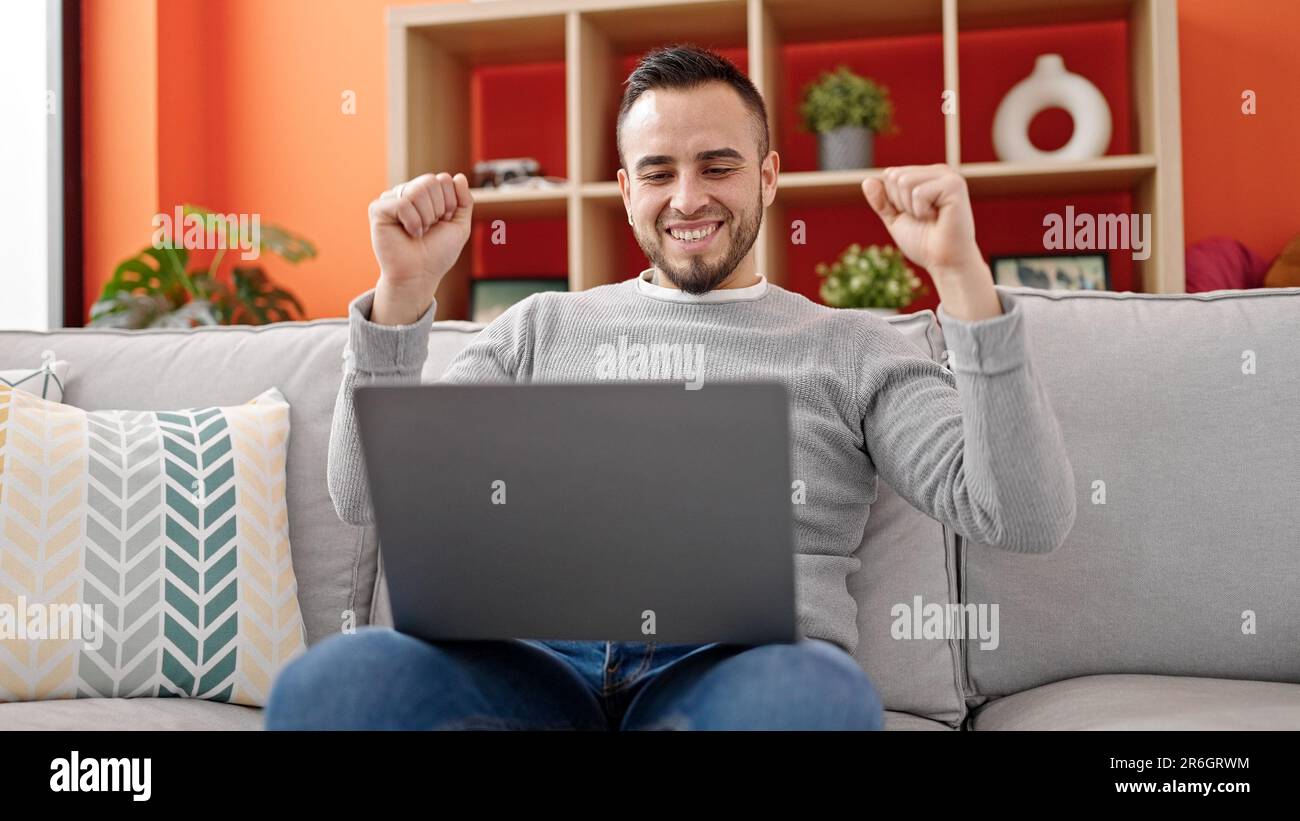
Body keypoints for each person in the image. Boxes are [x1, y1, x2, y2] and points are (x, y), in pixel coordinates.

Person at [265, 44, 1076, 731]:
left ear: (768, 178)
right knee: (334, 686)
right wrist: (401, 296)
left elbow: (1025, 514)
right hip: (530, 663)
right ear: (626, 192)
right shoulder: (537, 328)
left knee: (813, 705)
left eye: (717, 166)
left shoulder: (853, 345)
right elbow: (362, 497)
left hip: (736, 671)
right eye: (659, 172)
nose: (688, 198)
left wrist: (963, 280)